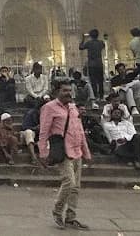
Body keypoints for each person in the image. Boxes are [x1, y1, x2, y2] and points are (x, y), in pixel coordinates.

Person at [39, 80, 92, 230]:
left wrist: (86, 152)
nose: (68, 93)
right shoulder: (49, 108)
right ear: (57, 92)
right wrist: (43, 153)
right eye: (65, 90)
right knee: (69, 182)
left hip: (77, 151)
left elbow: (80, 130)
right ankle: (57, 211)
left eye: (70, 90)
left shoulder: (73, 108)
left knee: (76, 187)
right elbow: (44, 132)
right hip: (62, 151)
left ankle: (71, 217)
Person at [79, 29, 106, 100]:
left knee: (93, 81)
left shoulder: (88, 43)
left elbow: (80, 47)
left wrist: (83, 38)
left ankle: (95, 95)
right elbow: (103, 46)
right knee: (100, 81)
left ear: (90, 35)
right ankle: (101, 96)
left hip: (91, 65)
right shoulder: (101, 42)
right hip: (99, 64)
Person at [21, 96, 47, 165]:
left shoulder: (47, 115)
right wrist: (35, 128)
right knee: (29, 132)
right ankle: (33, 157)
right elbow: (24, 127)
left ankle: (46, 157)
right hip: (27, 135)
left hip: (40, 136)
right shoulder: (30, 113)